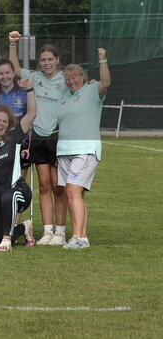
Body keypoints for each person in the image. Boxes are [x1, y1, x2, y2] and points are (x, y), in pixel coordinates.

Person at [9, 31, 69, 245]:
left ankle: (60, 233)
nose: (46, 63)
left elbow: (81, 85)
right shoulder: (35, 76)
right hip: (38, 137)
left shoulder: (66, 79)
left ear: (57, 60)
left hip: (57, 136)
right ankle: (47, 231)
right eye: (43, 60)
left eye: (50, 59)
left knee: (58, 187)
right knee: (43, 185)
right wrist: (13, 44)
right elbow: (15, 69)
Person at [55, 50, 110, 250]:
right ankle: (82, 237)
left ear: (82, 77)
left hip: (85, 149)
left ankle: (79, 237)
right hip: (64, 152)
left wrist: (103, 60)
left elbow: (106, 82)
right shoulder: (64, 98)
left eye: (74, 77)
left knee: (72, 191)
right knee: (76, 195)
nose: (71, 81)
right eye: (67, 78)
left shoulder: (92, 90)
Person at [0, 80, 38, 252]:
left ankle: (7, 240)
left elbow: (32, 114)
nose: (1, 124)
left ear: (9, 125)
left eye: (5, 121)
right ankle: (24, 227)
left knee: (8, 195)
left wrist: (29, 89)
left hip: (19, 192)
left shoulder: (14, 137)